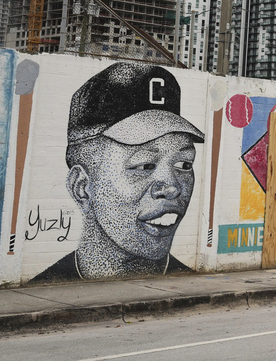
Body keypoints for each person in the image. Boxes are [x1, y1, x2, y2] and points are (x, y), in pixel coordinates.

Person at [31, 63, 204, 283]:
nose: (173, 187)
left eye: (184, 165)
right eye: (145, 166)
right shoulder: (46, 285)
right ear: (82, 188)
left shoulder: (188, 281)